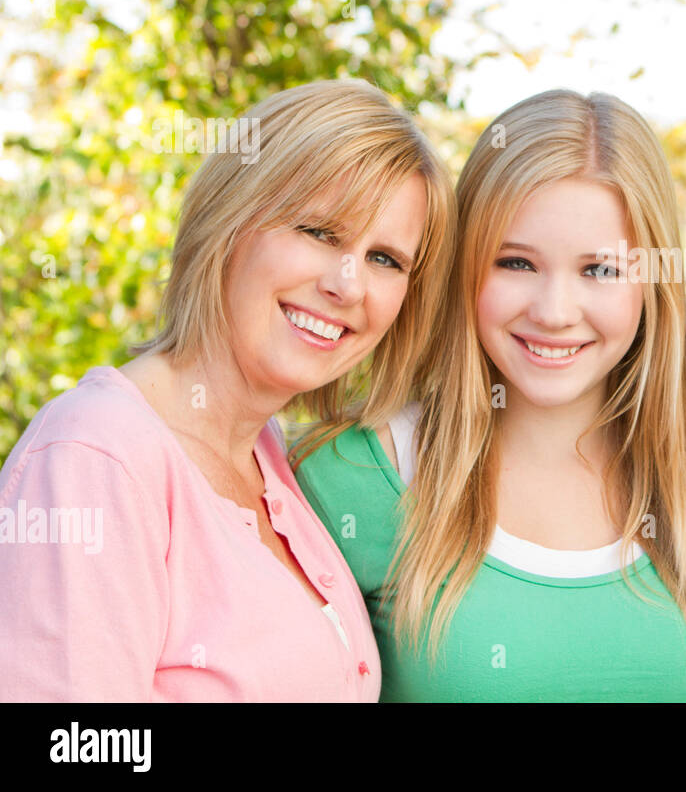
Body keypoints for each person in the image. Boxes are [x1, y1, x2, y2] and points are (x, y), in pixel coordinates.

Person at [0, 80, 455, 701]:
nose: (348, 286)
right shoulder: (94, 454)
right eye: (319, 232)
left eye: (385, 259)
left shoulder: (268, 455)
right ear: (230, 218)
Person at [296, 88, 686, 701]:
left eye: (599, 270)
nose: (554, 312)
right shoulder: (356, 476)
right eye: (516, 264)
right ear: (465, 266)